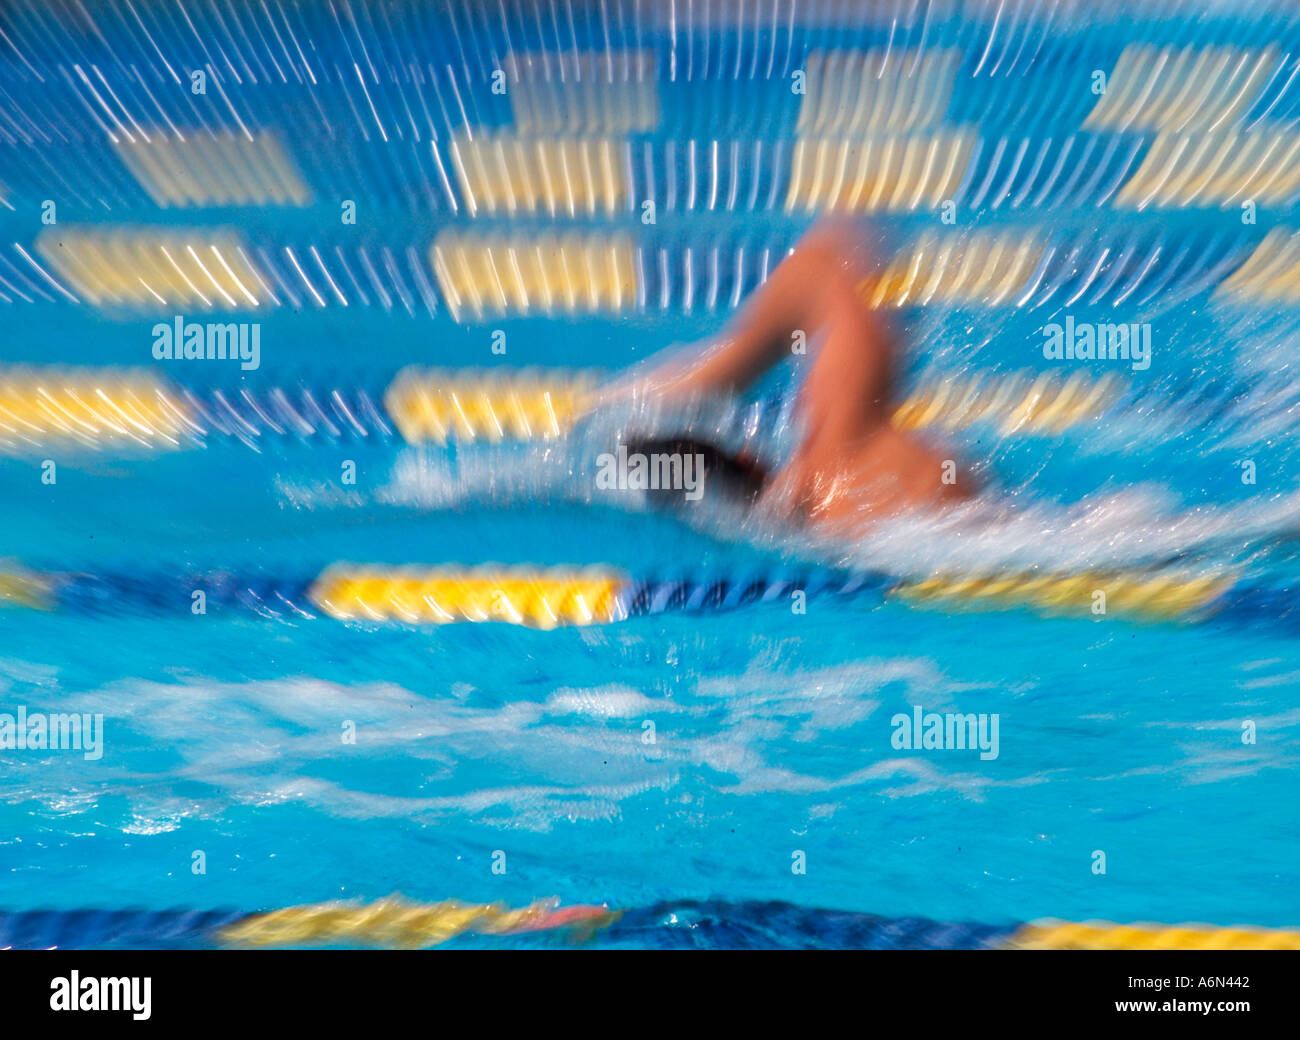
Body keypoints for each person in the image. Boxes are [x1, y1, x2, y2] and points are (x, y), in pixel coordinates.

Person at [610, 220, 974, 534]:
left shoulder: (837, 473)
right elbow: (828, 265)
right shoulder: (849, 458)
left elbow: (825, 267)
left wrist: (707, 379)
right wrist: (708, 380)